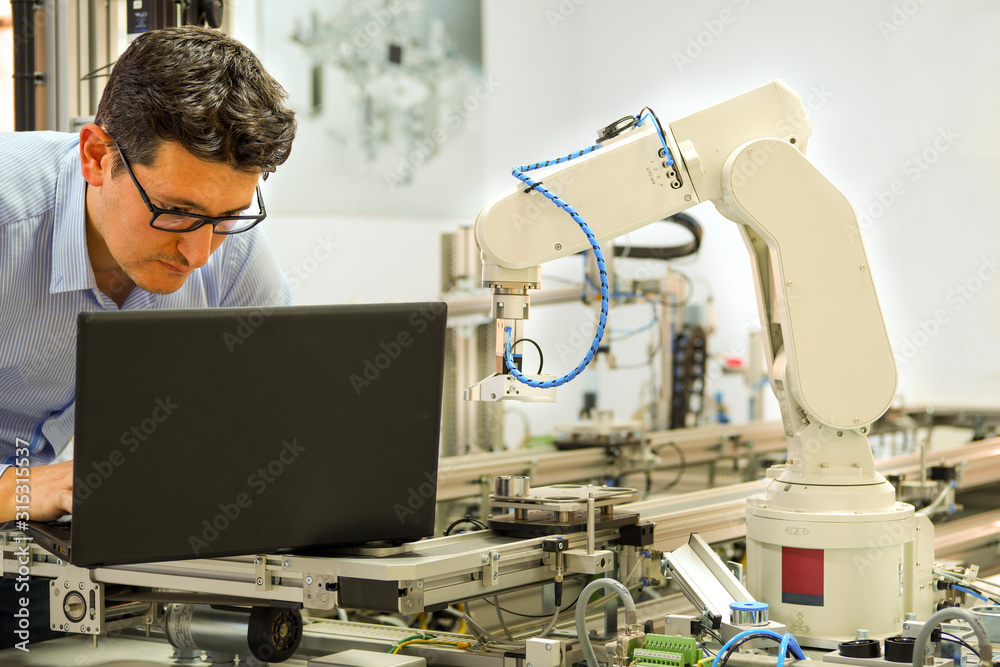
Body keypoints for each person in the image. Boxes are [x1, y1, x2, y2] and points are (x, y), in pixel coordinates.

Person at [0, 26, 297, 524]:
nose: (199, 254)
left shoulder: (234, 243)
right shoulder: (9, 221)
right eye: (176, 211)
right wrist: (19, 489)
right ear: (96, 157)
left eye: (225, 217)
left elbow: (282, 411)